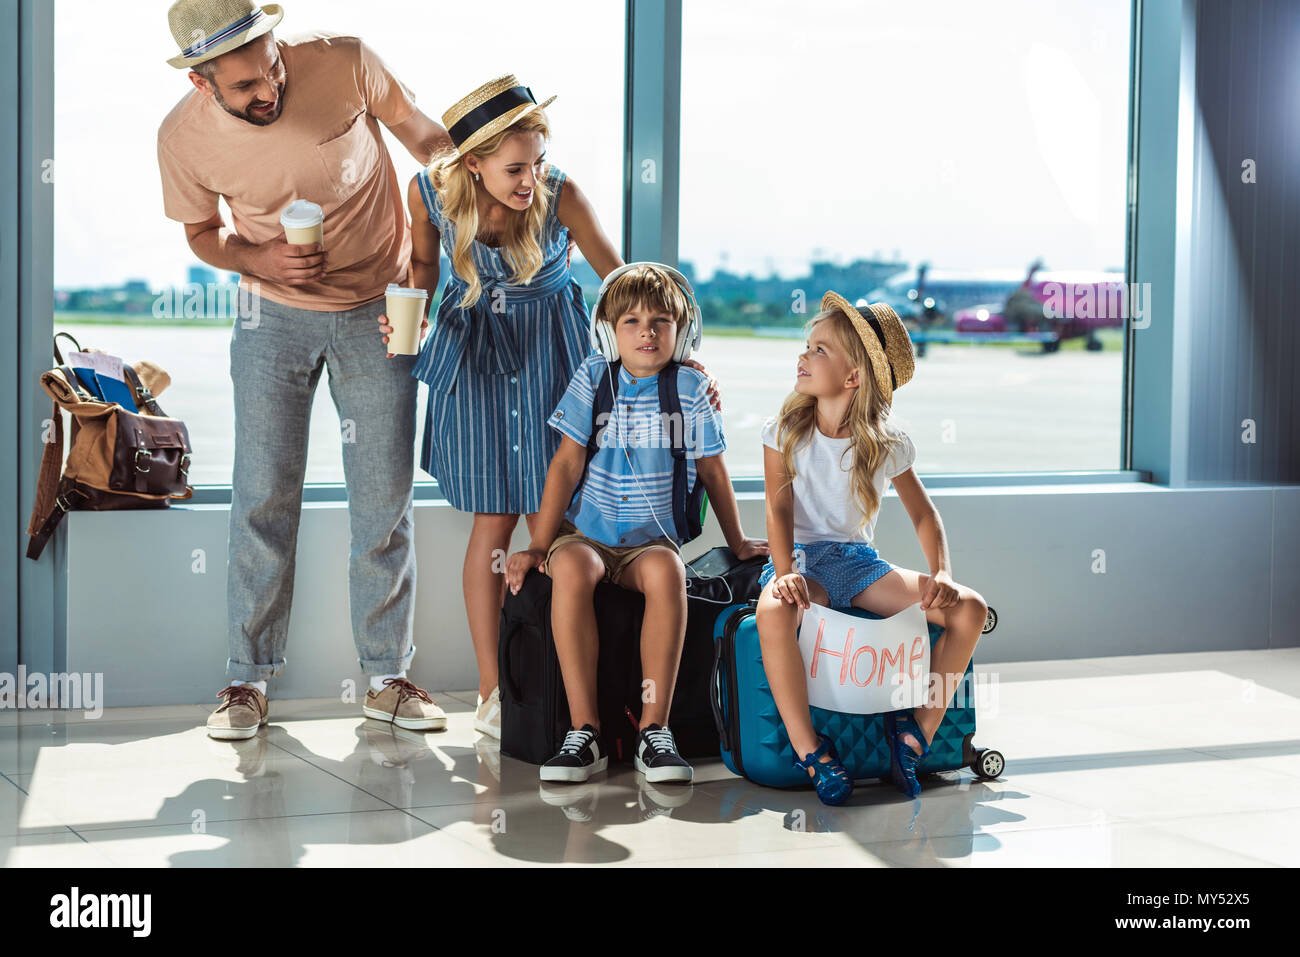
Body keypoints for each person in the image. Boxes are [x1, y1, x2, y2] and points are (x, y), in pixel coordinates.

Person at [380, 78, 721, 738]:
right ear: (471, 162)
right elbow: (422, 269)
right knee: (494, 520)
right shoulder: (427, 193)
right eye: (515, 168)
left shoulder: (560, 194)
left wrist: (676, 359)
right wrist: (407, 322)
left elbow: (624, 282)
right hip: (473, 350)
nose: (531, 179)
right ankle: (493, 689)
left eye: (537, 162)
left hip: (554, 358)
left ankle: (571, 694)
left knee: (555, 519)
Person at [156, 0, 454, 739]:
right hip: (270, 319)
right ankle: (245, 681)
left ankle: (386, 676)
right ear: (203, 85)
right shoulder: (182, 139)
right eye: (247, 87)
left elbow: (428, 140)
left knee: (383, 497)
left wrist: (454, 237)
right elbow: (202, 234)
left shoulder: (347, 61)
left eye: (273, 67)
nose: (270, 90)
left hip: (380, 308)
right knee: (261, 494)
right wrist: (257, 257)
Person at [503, 263, 768, 784]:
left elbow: (713, 469)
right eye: (632, 321)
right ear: (609, 329)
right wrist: (538, 545)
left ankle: (655, 730)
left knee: (668, 573)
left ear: (681, 331)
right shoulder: (592, 379)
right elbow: (566, 463)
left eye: (661, 321)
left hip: (651, 544)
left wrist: (736, 542)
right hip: (587, 536)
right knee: (573, 569)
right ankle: (584, 731)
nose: (647, 332)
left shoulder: (689, 388)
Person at [754, 292, 989, 805]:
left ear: (853, 377)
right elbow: (778, 511)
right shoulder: (784, 433)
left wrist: (942, 573)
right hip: (805, 562)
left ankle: (915, 736)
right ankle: (810, 750)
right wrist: (783, 569)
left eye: (819, 350)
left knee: (969, 609)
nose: (803, 357)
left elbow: (924, 514)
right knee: (773, 611)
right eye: (807, 346)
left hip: (858, 564)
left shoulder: (888, 442)